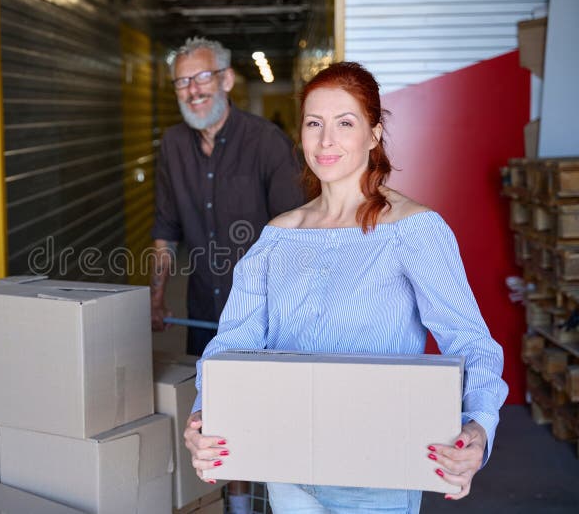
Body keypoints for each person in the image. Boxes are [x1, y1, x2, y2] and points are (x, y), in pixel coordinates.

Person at [182, 61, 508, 513]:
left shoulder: (413, 230)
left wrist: (477, 427)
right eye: (314, 123)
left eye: (345, 123)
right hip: (286, 461)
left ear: (374, 133)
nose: (326, 140)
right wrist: (205, 414)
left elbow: (471, 341)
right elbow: (232, 345)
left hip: (378, 470)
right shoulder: (277, 236)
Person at [150, 37, 306, 514]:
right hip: (205, 306)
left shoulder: (267, 143)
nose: (192, 91)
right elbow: (165, 229)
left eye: (202, 78)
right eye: (182, 82)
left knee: (274, 417)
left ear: (226, 80)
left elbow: (297, 231)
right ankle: (236, 507)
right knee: (218, 421)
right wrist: (156, 295)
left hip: (266, 316)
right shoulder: (174, 146)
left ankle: (287, 499)